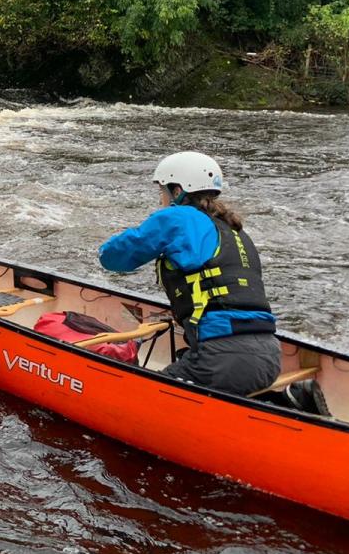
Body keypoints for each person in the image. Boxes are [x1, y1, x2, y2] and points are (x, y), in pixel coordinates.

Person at [97, 151, 282, 396]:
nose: (160, 199)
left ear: (177, 191)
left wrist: (103, 248)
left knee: (140, 397)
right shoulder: (233, 230)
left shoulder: (177, 217)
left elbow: (113, 257)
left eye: (162, 191)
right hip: (270, 354)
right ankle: (289, 397)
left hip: (222, 358)